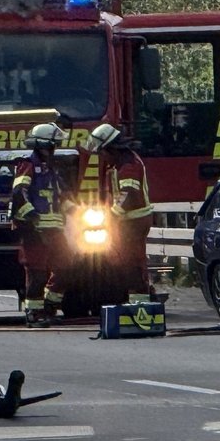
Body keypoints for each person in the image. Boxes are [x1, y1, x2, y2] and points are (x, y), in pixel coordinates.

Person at [82, 123, 157, 302]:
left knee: (132, 262)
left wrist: (110, 216)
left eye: (102, 153)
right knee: (124, 261)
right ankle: (139, 296)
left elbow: (128, 194)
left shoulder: (128, 166)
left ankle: (140, 303)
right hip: (129, 221)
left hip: (133, 222)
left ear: (111, 149)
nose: (102, 157)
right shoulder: (121, 163)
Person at [10, 122, 69, 326]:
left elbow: (59, 195)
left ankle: (49, 307)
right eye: (53, 145)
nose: (55, 149)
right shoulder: (27, 164)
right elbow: (19, 193)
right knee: (37, 272)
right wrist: (31, 216)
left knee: (66, 267)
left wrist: (76, 210)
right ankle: (34, 314)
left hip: (54, 229)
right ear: (44, 145)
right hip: (34, 229)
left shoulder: (51, 168)